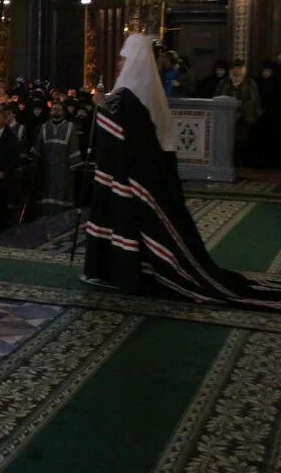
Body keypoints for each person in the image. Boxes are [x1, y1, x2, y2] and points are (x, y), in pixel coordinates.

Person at [83, 34, 281, 308]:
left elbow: (131, 136)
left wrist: (101, 107)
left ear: (135, 60)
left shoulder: (131, 94)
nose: (118, 64)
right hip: (138, 175)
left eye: (122, 58)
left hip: (134, 178)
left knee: (135, 223)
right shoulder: (138, 90)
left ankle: (128, 271)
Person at [34, 101, 81, 214]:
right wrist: (35, 163)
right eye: (53, 109)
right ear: (50, 111)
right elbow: (38, 147)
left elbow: (74, 147)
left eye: (58, 109)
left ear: (63, 112)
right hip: (47, 168)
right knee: (47, 192)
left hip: (63, 168)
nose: (55, 110)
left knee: (62, 194)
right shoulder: (44, 127)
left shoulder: (70, 127)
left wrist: (74, 164)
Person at [217, 58, 262, 167]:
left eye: (240, 68)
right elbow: (218, 96)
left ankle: (240, 164)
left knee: (242, 141)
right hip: (227, 116)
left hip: (244, 117)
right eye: (236, 68)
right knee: (228, 142)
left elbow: (254, 99)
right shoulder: (225, 82)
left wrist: (242, 109)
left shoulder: (249, 82)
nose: (238, 70)